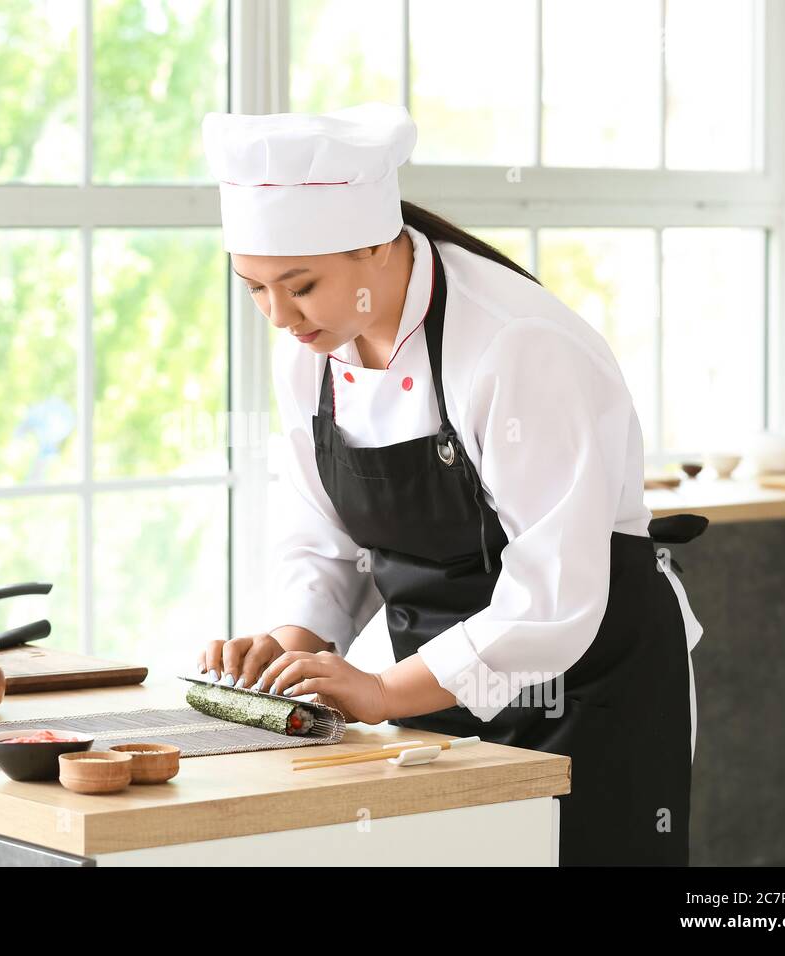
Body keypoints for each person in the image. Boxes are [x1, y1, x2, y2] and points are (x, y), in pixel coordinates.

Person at [198, 103, 706, 865]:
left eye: (299, 285)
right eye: (254, 289)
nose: (278, 317)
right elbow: (325, 541)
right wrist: (287, 656)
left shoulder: (513, 343)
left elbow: (553, 599)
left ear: (375, 245)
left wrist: (381, 693)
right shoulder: (312, 350)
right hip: (435, 690)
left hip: (592, 693)